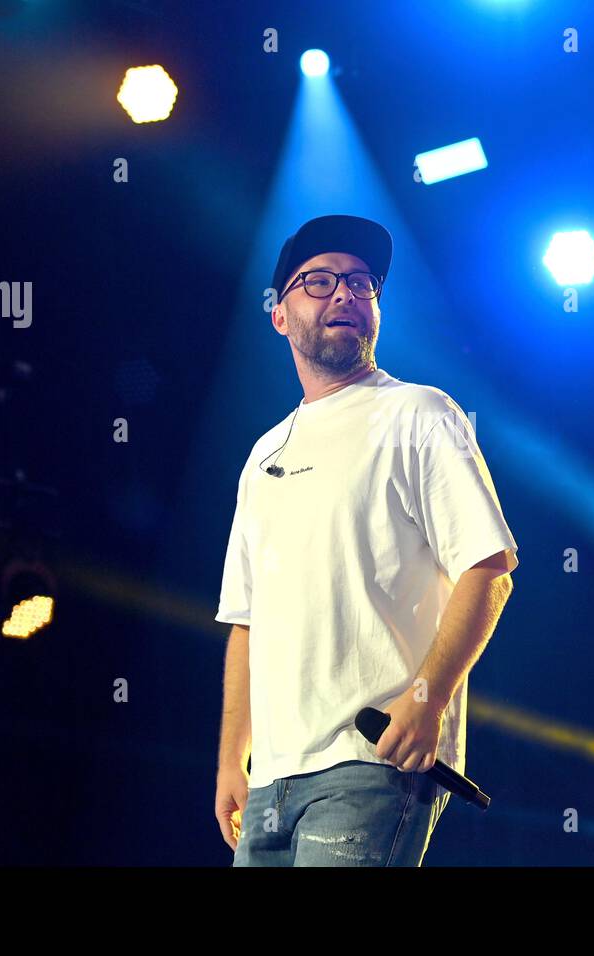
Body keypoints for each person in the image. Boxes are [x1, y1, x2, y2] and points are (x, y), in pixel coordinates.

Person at [213, 214, 519, 866]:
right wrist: (231, 760)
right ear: (278, 314)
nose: (345, 293)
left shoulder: (419, 413)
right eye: (319, 281)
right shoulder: (264, 454)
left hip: (370, 762)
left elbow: (489, 570)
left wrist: (425, 700)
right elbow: (245, 620)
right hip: (269, 781)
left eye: (361, 282)